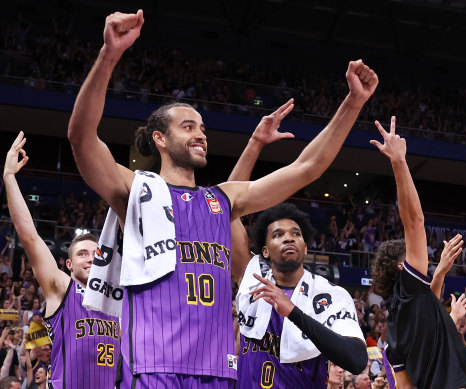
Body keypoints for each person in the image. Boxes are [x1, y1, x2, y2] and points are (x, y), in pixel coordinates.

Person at [66, 10, 378, 388]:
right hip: (153, 365)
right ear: (159, 139)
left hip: (218, 370)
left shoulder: (221, 199)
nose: (201, 135)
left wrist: (353, 104)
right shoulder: (135, 190)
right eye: (188, 127)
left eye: (202, 128)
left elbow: (307, 168)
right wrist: (109, 55)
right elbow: (82, 138)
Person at [369, 117, 466, 389]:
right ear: (400, 267)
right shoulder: (409, 288)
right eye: (409, 255)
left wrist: (449, 315)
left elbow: (406, 384)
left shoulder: (398, 319)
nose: (420, 257)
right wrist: (399, 162)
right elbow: (414, 221)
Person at [3, 132, 120, 389]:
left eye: (96, 254)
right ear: (69, 265)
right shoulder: (63, 289)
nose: (91, 259)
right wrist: (9, 178)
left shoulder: (117, 297)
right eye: (82, 254)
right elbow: (30, 237)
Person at [235, 203, 367, 388]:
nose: (289, 238)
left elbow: (357, 360)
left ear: (305, 248)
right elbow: (230, 206)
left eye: (296, 234)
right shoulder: (252, 277)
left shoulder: (331, 294)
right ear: (265, 251)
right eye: (278, 234)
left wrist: (293, 312)